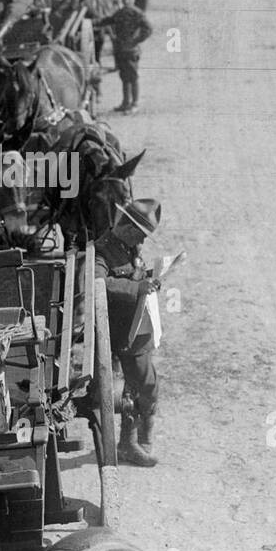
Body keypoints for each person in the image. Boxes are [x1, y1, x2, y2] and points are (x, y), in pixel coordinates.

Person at [93, 198, 165, 467]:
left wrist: (149, 277)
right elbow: (98, 281)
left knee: (146, 383)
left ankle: (140, 438)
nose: (143, 243)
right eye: (141, 235)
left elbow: (132, 272)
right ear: (128, 227)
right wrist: (137, 289)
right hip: (122, 330)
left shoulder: (127, 245)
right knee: (144, 383)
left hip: (136, 325)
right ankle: (130, 443)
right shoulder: (102, 250)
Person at [95, 0, 153, 114]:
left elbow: (148, 29)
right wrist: (94, 22)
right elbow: (109, 20)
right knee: (124, 77)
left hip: (131, 50)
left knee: (132, 77)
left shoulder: (136, 13)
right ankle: (125, 102)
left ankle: (134, 104)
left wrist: (136, 40)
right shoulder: (120, 13)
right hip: (120, 50)